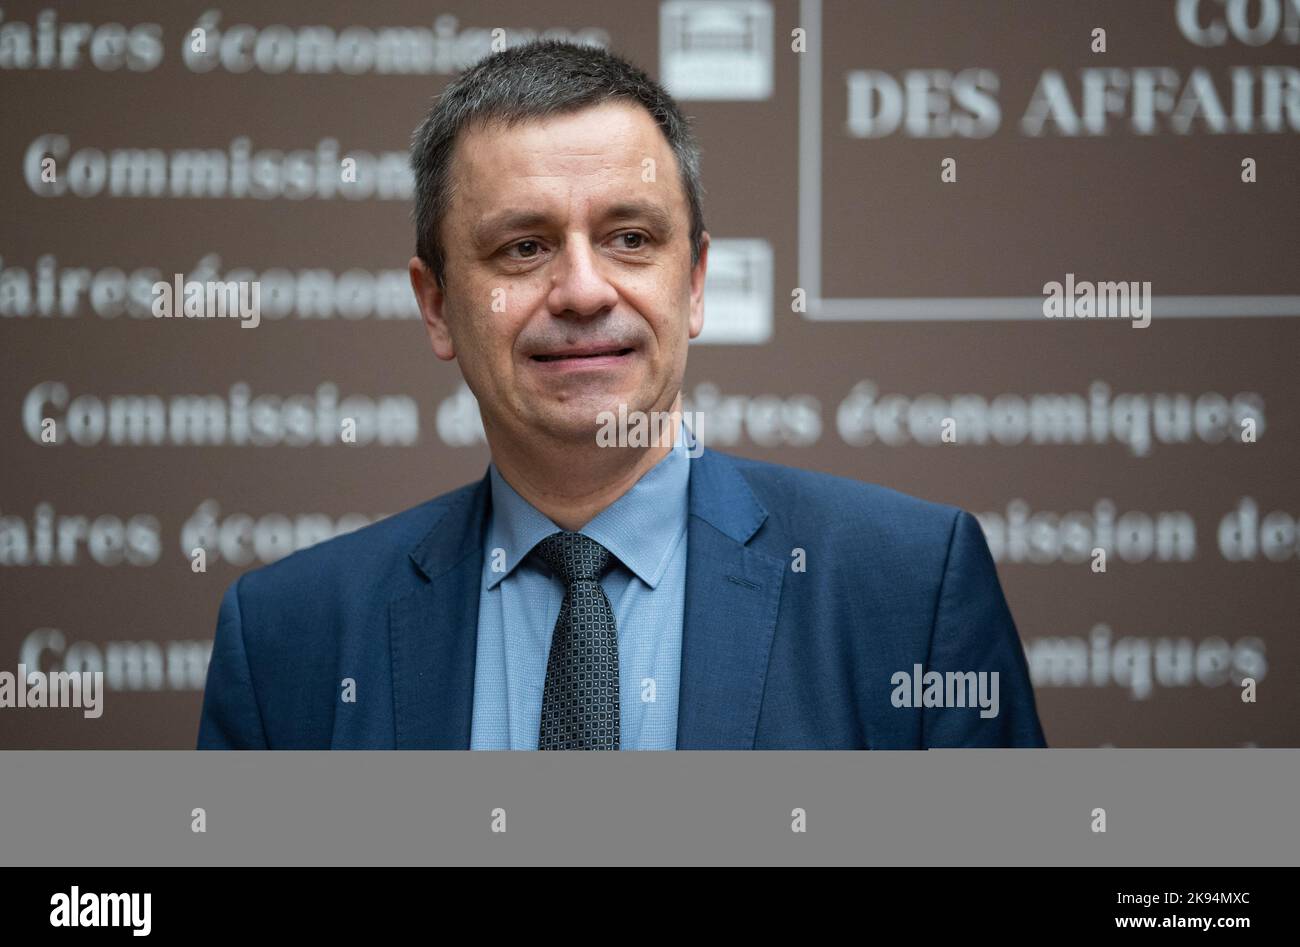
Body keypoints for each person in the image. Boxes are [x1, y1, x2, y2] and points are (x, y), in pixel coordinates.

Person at [197, 40, 1046, 750]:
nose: (582, 291)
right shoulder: (288, 639)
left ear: (697, 282)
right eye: (523, 248)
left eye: (630, 239)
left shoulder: (907, 590)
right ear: (438, 305)